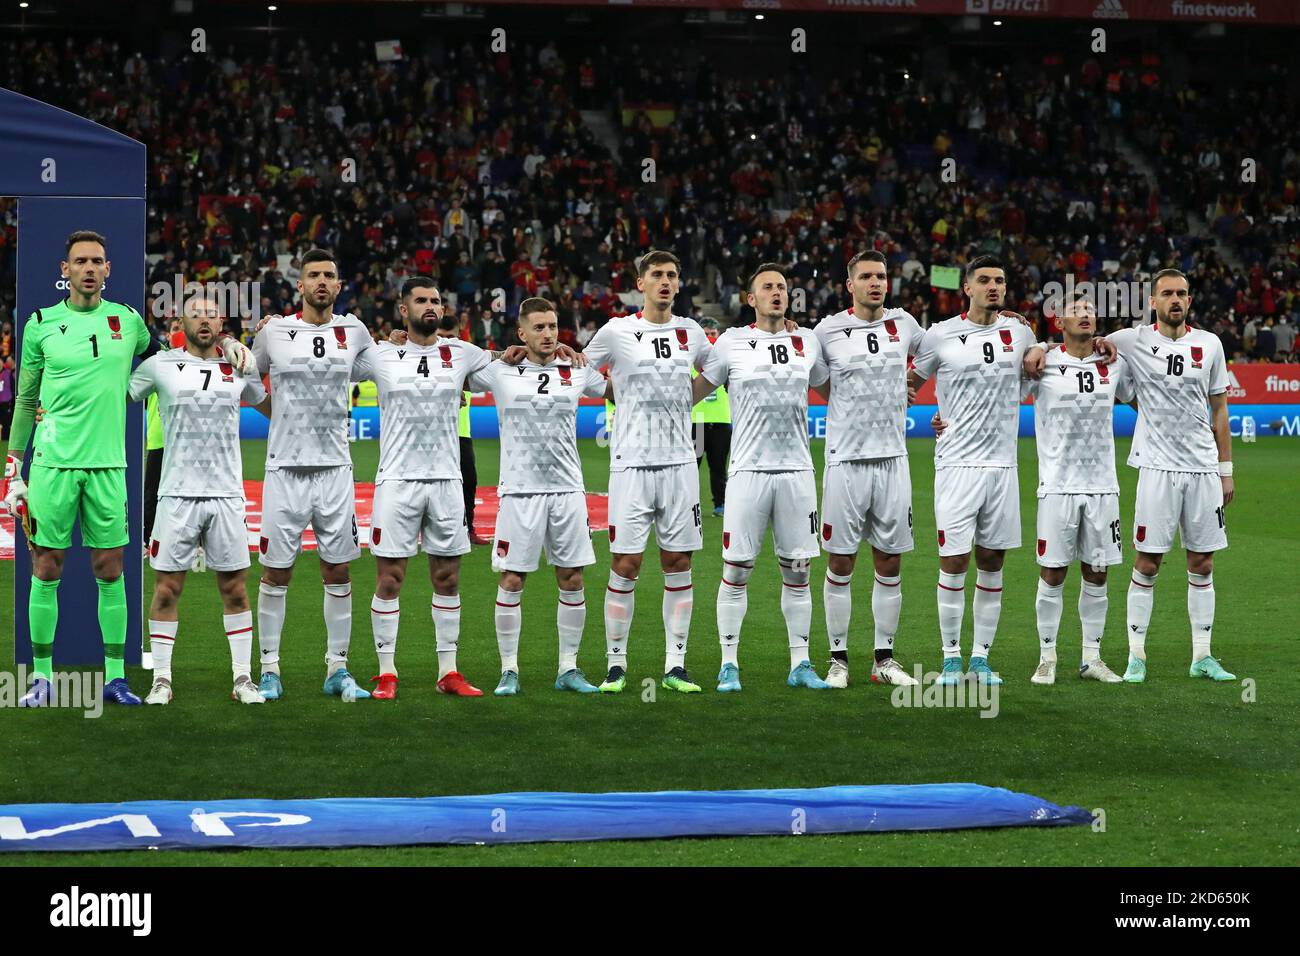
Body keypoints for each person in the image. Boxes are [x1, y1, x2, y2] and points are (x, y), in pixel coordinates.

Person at [2, 230, 243, 706]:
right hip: (51, 464)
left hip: (111, 465)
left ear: (108, 270)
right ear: (64, 270)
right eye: (80, 261)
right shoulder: (39, 324)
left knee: (110, 569)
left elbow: (176, 352)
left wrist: (227, 342)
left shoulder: (129, 322)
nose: (89, 268)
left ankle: (114, 677)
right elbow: (27, 399)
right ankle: (43, 679)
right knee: (46, 567)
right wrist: (13, 467)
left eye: (97, 261)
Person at [693, 263, 831, 692]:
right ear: (750, 299)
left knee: (799, 570)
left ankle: (801, 663)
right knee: (736, 570)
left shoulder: (806, 340)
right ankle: (728, 663)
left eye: (782, 287)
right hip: (747, 472)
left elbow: (834, 392)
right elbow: (693, 391)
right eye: (767, 287)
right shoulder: (731, 343)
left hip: (796, 472)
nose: (777, 292)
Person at [580, 251, 713, 694]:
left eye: (672, 275)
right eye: (656, 275)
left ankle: (676, 665)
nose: (665, 282)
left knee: (678, 562)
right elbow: (581, 368)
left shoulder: (690, 332)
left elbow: (716, 371)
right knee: (626, 563)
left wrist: (686, 398)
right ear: (641, 282)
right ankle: (616, 665)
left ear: (678, 284)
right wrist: (614, 391)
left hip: (679, 465)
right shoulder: (618, 331)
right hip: (631, 465)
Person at [128, 293, 271, 704]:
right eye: (196, 314)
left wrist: (247, 353)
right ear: (181, 321)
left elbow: (264, 403)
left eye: (211, 313)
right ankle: (162, 680)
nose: (204, 320)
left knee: (236, 590)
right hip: (175, 495)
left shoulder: (239, 364)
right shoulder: (160, 366)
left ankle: (243, 679)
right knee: (167, 590)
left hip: (227, 495)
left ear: (221, 319)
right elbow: (119, 395)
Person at [251, 248, 376, 702]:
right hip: (284, 468)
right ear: (299, 285)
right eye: (313, 276)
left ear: (339, 286)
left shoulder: (355, 331)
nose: (321, 282)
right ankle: (269, 670)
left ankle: (337, 670)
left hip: (336, 470)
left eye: (329, 275)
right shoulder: (274, 331)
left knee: (337, 568)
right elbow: (249, 382)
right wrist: (276, 411)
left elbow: (381, 368)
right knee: (275, 571)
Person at [467, 297, 609, 696]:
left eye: (553, 326)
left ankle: (568, 668)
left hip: (567, 490)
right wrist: (497, 352)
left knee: (572, 578)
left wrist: (581, 354)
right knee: (512, 580)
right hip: (519, 492)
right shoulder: (499, 371)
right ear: (522, 333)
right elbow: (454, 366)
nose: (548, 334)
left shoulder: (577, 370)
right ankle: (509, 670)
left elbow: (617, 388)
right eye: (540, 328)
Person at [908, 256, 1039, 686]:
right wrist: (930, 415)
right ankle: (950, 658)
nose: (993, 287)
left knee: (992, 560)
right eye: (984, 280)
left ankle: (981, 658)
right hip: (956, 465)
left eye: (1000, 280)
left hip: (1002, 466)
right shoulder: (939, 335)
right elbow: (910, 383)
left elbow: (1038, 371)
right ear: (967, 288)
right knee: (954, 560)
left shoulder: (1019, 332)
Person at [365, 277, 498, 699]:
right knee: (390, 578)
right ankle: (387, 672)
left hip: (446, 481)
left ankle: (448, 671)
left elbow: (508, 363)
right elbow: (331, 359)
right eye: (420, 300)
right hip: (397, 481)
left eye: (436, 301)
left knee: (447, 576)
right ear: (403, 310)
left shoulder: (461, 353)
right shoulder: (381, 354)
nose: (430, 306)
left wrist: (542, 350)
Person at [1103, 270, 1235, 683]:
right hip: (1156, 469)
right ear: (1153, 302)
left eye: (1181, 293)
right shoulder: (1131, 341)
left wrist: (1225, 470)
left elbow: (1219, 411)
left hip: (1202, 469)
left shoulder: (1209, 344)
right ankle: (1136, 657)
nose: (1175, 299)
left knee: (1203, 561)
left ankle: (1202, 657)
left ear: (1189, 301)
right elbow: (1083, 341)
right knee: (1147, 561)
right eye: (1167, 294)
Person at [812, 250, 923, 689]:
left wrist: (908, 384)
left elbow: (946, 350)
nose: (875, 283)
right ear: (850, 285)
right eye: (866, 277)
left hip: (894, 460)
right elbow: (821, 383)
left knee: (889, 560)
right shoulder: (827, 331)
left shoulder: (905, 324)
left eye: (881, 276)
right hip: (846, 461)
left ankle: (884, 660)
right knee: (840, 560)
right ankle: (838, 659)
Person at [692, 317, 730, 518]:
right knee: (691, 467)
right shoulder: (692, 359)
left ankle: (720, 504)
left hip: (721, 421)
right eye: (705, 334)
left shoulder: (726, 359)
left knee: (718, 467)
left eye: (713, 334)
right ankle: (688, 504)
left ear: (719, 334)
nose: (709, 337)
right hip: (696, 422)